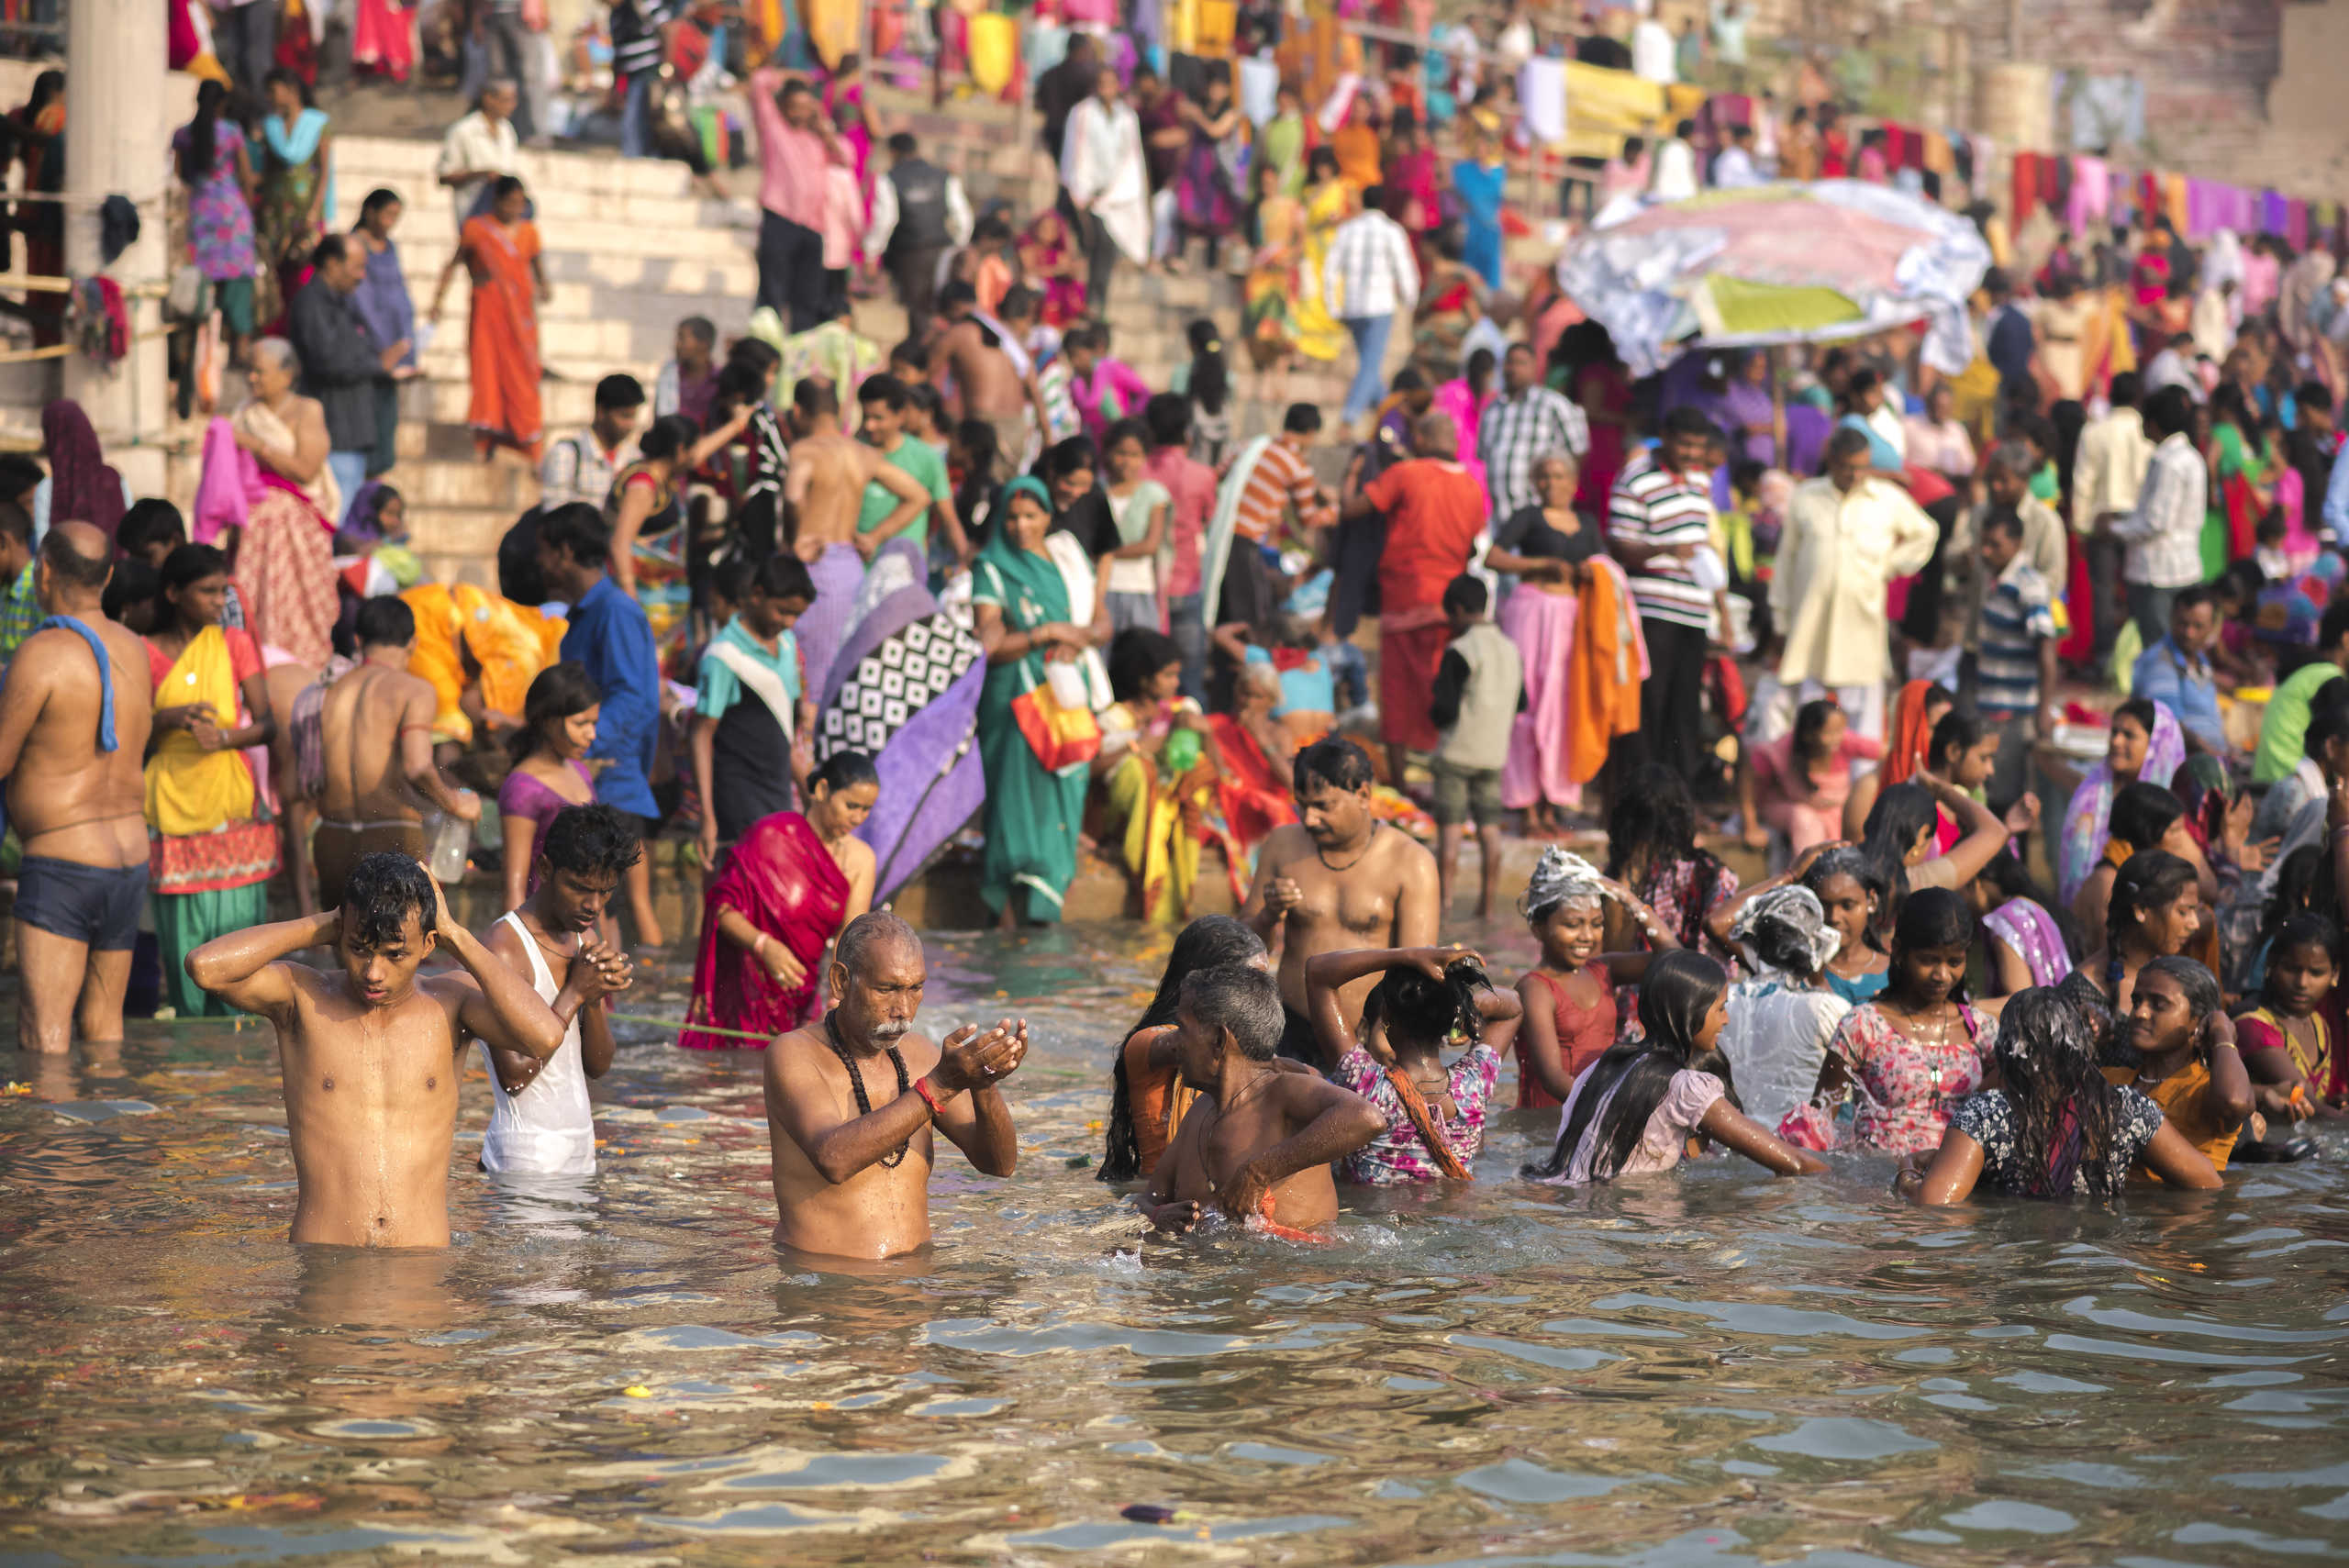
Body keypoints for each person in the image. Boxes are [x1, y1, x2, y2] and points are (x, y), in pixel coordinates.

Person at [184, 852, 572, 1246]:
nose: (373, 971)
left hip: (421, 1265)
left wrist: (456, 934)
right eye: (358, 948)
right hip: (325, 1258)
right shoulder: (300, 996)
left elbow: (544, 1036)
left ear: (427, 944)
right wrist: (326, 923)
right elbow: (205, 967)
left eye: (394, 954)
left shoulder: (452, 1003)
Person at [763, 911, 1024, 1258]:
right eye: (887, 989)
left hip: (916, 1287)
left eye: (915, 988)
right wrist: (940, 1086)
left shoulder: (920, 1056)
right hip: (826, 1287)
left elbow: (999, 1165)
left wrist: (982, 1081)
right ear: (841, 982)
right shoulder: (794, 1054)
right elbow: (834, 1159)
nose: (903, 1009)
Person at [0, 526, 155, 1051]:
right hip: (130, 859)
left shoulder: (42, 652)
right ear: (109, 575)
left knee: (44, 1040)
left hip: (64, 862)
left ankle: (52, 1138)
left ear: (43, 571)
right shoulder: (134, 649)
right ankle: (110, 1137)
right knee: (105, 1033)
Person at [1526, 950, 1828, 1184]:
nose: (1726, 1020)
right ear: (1691, 1013)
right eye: (1720, 1009)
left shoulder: (1608, 1064)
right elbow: (1795, 1164)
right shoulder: (1687, 1087)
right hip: (1615, 1219)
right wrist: (1840, 1187)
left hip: (1557, 1192)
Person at [1898, 987, 2221, 1204]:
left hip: (2017, 1261)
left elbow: (1935, 1205)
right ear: (2080, 1047)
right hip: (2098, 1269)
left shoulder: (1987, 1114)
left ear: (2006, 1050)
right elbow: (2208, 1184)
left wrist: (1907, 1171)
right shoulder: (2128, 1108)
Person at [1140, 962, 1384, 1235]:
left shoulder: (1283, 1092)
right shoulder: (1199, 1111)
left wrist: (1259, 1173)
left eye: (1182, 1028)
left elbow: (1367, 1118)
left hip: (1294, 1274)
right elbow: (1147, 1200)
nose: (1173, 1043)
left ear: (1219, 1040)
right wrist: (1158, 1214)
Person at [141, 544, 282, 1018]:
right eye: (207, 591)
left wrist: (224, 738)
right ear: (174, 592)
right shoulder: (143, 650)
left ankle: (237, 1070)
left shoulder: (234, 643)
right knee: (184, 948)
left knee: (240, 951)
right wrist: (168, 719)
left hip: (230, 806)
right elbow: (130, 733)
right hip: (169, 802)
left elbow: (268, 724)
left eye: (223, 590)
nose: (219, 601)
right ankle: (192, 1067)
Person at [970, 476, 1108, 927]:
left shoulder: (1069, 558)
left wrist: (1080, 638)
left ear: (1048, 517)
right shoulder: (991, 566)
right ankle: (1006, 919)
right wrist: (1044, 634)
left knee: (1062, 795)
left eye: (1031, 516)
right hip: (1015, 701)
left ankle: (1046, 913)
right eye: (1011, 516)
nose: (1020, 526)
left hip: (1066, 692)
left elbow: (1101, 620)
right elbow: (989, 644)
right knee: (1013, 805)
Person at [1241, 736, 1440, 1049]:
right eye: (1302, 806)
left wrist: (1386, 1031)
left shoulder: (1412, 861)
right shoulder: (1282, 845)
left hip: (1371, 1036)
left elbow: (1418, 967)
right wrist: (1268, 914)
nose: (1309, 819)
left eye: (1323, 806)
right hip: (1291, 1027)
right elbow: (1246, 950)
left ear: (1362, 794)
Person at [477, 806, 639, 1176]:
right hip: (524, 1156)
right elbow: (513, 1075)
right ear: (546, 870)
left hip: (580, 1151)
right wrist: (575, 993)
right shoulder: (505, 946)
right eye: (580, 888)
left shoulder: (586, 937)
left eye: (605, 892)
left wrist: (594, 999)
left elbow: (597, 1066)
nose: (593, 906)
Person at [682, 750, 879, 1050]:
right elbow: (723, 911)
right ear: (823, 790)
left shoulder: (861, 859)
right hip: (741, 994)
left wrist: (837, 1001)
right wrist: (764, 946)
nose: (858, 818)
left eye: (866, 810)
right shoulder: (770, 835)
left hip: (800, 997)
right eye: (851, 805)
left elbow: (848, 940)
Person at [1783, 888, 1996, 1155]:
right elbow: (1817, 1125)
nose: (1942, 975)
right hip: (1876, 1190)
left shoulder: (1982, 1032)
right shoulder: (1863, 1026)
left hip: (1956, 1187)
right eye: (1928, 960)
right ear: (1898, 952)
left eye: (1955, 962)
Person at [540, 506, 664, 948]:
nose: (539, 562)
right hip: (594, 777)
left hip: (614, 782)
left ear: (564, 552)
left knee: (631, 914)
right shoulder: (587, 614)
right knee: (600, 921)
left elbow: (635, 698)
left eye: (544, 551)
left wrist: (583, 748)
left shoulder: (615, 611)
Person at [1769, 428, 1938, 743]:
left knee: (1864, 727)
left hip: (1862, 627)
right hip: (1812, 628)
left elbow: (1925, 533)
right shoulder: (1806, 497)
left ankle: (1863, 787)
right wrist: (1780, 617)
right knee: (1810, 720)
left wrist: (1892, 564)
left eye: (1862, 466)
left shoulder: (1885, 498)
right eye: (1848, 467)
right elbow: (1785, 562)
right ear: (1832, 461)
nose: (1856, 474)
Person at [1348, 413, 1487, 785]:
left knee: (1396, 692)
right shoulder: (1473, 488)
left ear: (1422, 439)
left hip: (1403, 598)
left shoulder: (1406, 473)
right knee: (1441, 690)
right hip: (1449, 607)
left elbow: (1354, 509)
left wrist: (1351, 478)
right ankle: (1445, 777)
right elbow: (1473, 545)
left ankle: (1400, 781)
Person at [314, 595, 478, 910]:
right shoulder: (414, 690)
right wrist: (455, 802)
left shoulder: (331, 691)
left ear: (359, 640)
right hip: (389, 837)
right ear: (413, 643)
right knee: (399, 949)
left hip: (332, 836)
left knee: (346, 947)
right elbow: (417, 768)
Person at [1305, 947, 1522, 1183]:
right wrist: (1464, 1009)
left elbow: (1318, 971)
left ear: (1386, 1014)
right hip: (1453, 1217)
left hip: (1375, 1216)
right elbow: (1513, 1006)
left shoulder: (1363, 1083)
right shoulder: (1475, 1085)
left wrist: (1404, 955)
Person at [1100, 916, 1280, 1183]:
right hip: (1157, 1196)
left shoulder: (1237, 1043)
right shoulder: (1153, 1043)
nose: (1261, 992)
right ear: (1209, 980)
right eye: (1250, 979)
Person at [783, 380, 931, 702]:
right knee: (839, 666)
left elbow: (794, 496)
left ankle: (805, 746)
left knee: (805, 674)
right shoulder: (862, 453)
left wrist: (795, 537)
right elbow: (919, 496)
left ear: (798, 411)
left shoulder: (804, 450)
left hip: (813, 563)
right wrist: (875, 536)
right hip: (850, 568)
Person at [1512, 847, 1679, 1108]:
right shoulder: (1535, 989)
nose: (1587, 936)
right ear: (1538, 928)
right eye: (1572, 925)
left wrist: (1627, 898)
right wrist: (1613, 1109)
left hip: (1596, 1112)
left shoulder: (1603, 969)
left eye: (1597, 923)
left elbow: (1675, 961)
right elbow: (1552, 1078)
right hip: (1549, 1129)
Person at [1488, 451, 1598, 835]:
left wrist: (1587, 572)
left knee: (1563, 707)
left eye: (1559, 476)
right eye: (1545, 477)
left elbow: (1603, 567)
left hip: (1569, 616)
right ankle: (1525, 807)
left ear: (1573, 482)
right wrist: (1539, 565)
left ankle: (1554, 804)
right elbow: (1493, 557)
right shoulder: (1528, 517)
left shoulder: (1586, 522)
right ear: (1537, 483)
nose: (1552, 484)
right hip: (1530, 610)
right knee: (1527, 704)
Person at [1609, 409, 1718, 780]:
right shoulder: (1635, 479)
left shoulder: (1700, 480)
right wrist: (1667, 549)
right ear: (1666, 438)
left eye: (1698, 447)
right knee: (1648, 707)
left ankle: (1679, 794)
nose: (1690, 454)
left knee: (1685, 709)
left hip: (1694, 610)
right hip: (1652, 611)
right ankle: (1641, 788)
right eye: (1684, 445)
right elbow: (1621, 546)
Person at [691, 553, 815, 864]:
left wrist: (809, 794)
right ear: (757, 595)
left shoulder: (786, 645)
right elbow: (701, 735)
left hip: (778, 796)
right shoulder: (723, 656)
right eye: (783, 611)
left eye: (796, 615)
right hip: (737, 798)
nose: (788, 622)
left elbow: (784, 731)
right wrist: (707, 816)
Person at [227, 339, 343, 669]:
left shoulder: (307, 410)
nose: (251, 378)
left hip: (297, 527)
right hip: (253, 529)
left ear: (287, 374)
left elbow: (306, 470)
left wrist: (256, 446)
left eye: (259, 371)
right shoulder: (246, 412)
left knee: (300, 613)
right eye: (249, 370)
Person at [1715, 884, 1854, 1135]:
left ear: (1752, 941)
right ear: (1816, 944)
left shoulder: (1722, 1001)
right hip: (1797, 1154)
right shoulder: (1826, 1008)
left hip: (1731, 1145)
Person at [1428, 575, 1524, 920]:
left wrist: (1433, 713)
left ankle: (1444, 905)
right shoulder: (1511, 649)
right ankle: (1486, 905)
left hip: (1456, 753)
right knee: (1490, 830)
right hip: (1493, 754)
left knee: (1451, 832)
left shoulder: (1460, 650)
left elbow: (1444, 710)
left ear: (1456, 610)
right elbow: (1521, 702)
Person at [287, 236, 405, 518]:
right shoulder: (311, 303)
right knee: (332, 521)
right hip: (334, 434)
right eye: (356, 267)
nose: (362, 276)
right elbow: (327, 362)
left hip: (351, 433)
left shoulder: (341, 304)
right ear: (331, 264)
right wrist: (378, 365)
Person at [432, 176, 547, 462]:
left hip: (520, 317)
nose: (515, 208)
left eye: (520, 203)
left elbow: (537, 265)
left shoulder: (529, 233)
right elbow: (454, 263)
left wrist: (545, 287)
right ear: (497, 201)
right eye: (510, 202)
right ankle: (487, 440)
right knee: (487, 372)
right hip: (487, 312)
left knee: (525, 374)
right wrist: (438, 301)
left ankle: (527, 441)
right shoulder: (476, 229)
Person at [2109, 955, 2253, 1176]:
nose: (2140, 1013)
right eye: (2137, 1001)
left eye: (2159, 1004)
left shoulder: (2203, 1089)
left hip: (2185, 1210)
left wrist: (2221, 1031)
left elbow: (2235, 1102)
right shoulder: (2110, 1078)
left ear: (2198, 1021)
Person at [1967, 508, 2061, 805]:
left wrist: (2043, 710)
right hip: (1992, 707)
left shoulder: (2028, 586)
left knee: (2004, 800)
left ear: (2017, 544)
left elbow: (2047, 651)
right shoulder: (1996, 580)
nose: (1985, 551)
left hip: (2013, 714)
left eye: (1994, 544)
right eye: (1983, 543)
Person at [746, 69, 851, 335]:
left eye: (807, 107)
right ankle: (766, 343)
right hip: (781, 219)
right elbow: (759, 82)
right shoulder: (774, 129)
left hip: (813, 227)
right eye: (795, 106)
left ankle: (800, 351)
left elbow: (845, 160)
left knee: (807, 298)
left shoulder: (817, 140)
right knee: (772, 293)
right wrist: (790, 75)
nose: (800, 113)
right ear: (783, 106)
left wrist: (823, 126)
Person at [605, 409, 751, 599]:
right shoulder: (643, 486)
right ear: (681, 450)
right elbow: (620, 543)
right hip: (643, 594)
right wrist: (630, 596)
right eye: (693, 449)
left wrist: (738, 424)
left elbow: (701, 452)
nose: (698, 456)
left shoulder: (662, 476)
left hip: (660, 592)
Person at [2057, 696, 2186, 907]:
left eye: (2128, 735)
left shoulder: (2171, 807)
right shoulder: (2091, 795)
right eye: (2114, 732)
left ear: (2157, 746)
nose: (2116, 741)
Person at [497, 662, 601, 917]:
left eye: (594, 723)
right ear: (547, 722)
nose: (592, 734)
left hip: (587, 916)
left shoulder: (581, 772)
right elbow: (514, 886)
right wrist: (518, 948)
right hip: (545, 925)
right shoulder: (523, 787)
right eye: (580, 724)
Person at [2109, 385, 2207, 649]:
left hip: (2158, 571)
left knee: (2160, 646)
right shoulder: (2191, 458)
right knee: (2181, 646)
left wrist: (2113, 529)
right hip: (2184, 565)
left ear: (2153, 423)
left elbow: (2156, 522)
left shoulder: (2168, 462)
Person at [2234, 912, 2343, 1141]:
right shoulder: (2252, 1024)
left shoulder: (2319, 1024)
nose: (2302, 983)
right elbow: (2311, 1106)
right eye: (2292, 969)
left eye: (2316, 973)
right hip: (2258, 1156)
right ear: (2271, 964)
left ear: (2334, 974)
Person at [173, 79, 260, 368]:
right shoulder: (231, 132)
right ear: (223, 104)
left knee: (204, 284)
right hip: (232, 214)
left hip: (200, 213)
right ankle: (240, 351)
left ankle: (197, 351)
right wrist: (249, 212)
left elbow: (180, 178)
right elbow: (246, 177)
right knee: (238, 284)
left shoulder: (183, 135)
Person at [1324, 184, 1420, 429]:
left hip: (1353, 306)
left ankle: (1390, 418)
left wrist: (1333, 306)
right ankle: (1349, 417)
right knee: (1370, 364)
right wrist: (1411, 300)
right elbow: (1405, 269)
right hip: (1379, 307)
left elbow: (1330, 270)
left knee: (1371, 365)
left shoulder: (1347, 230)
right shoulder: (1392, 231)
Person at [2072, 372, 2153, 662]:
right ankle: (2134, 654)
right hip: (2139, 520)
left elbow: (2083, 483)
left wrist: (2081, 528)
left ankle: (2106, 655)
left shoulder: (2094, 431)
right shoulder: (2147, 431)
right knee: (2137, 588)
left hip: (2102, 520)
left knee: (2104, 591)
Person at [1741, 697, 1882, 859]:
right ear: (1808, 735)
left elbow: (1887, 753)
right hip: (1785, 808)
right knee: (1805, 819)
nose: (1838, 738)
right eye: (1829, 733)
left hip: (1836, 811)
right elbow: (1748, 786)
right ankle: (1809, 874)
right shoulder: (1778, 752)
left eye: (1841, 730)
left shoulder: (1844, 739)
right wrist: (1750, 827)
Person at [1144, 395, 1219, 698]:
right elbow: (1209, 519)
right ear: (1188, 431)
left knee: (1146, 676)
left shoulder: (1138, 472)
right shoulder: (1202, 475)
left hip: (1147, 586)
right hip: (1186, 582)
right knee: (1189, 679)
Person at [1061, 67, 1151, 312]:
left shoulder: (1127, 117)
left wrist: (1113, 192)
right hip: (1087, 194)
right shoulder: (1082, 113)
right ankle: (1087, 300)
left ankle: (1098, 298)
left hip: (1114, 194)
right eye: (1102, 83)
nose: (1106, 89)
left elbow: (1131, 159)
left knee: (1107, 245)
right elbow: (1076, 153)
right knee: (1093, 242)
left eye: (1111, 83)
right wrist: (1084, 191)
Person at [1479, 343, 1590, 527]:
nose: (1513, 369)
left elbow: (1579, 453)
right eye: (1509, 363)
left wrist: (1555, 492)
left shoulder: (1554, 404)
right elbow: (1483, 458)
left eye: (1520, 363)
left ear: (1535, 367)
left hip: (1542, 516)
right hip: (1498, 517)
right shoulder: (1492, 410)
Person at [346, 190, 417, 478]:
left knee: (385, 423)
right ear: (370, 211)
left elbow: (400, 297)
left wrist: (405, 347)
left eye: (396, 217)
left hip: (396, 350)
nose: (391, 222)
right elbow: (360, 301)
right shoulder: (354, 246)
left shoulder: (390, 248)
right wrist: (383, 347)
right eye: (387, 215)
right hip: (366, 349)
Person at [252, 70, 331, 328]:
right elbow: (265, 171)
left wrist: (315, 209)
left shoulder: (317, 124)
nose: (270, 98)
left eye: (273, 91)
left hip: (305, 214)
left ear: (290, 89)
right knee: (278, 278)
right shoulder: (270, 126)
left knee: (304, 275)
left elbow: (324, 171)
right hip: (275, 216)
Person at [855, 374, 961, 562]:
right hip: (857, 567)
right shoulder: (851, 452)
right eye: (866, 417)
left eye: (878, 418)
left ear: (901, 415)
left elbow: (948, 519)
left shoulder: (927, 458)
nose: (869, 426)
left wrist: (964, 561)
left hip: (904, 570)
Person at [871, 131, 972, 328]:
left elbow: (886, 219)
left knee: (917, 311)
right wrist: (959, 247)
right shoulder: (943, 177)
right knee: (941, 307)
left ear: (892, 152)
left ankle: (924, 354)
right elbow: (963, 217)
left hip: (909, 254)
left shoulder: (889, 179)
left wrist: (872, 251)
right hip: (942, 251)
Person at [1968, 846, 2076, 995]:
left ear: (1975, 883)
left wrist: (1968, 1010)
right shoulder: (2032, 906)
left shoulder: (2002, 922)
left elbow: (2019, 999)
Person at [2132, 586, 2227, 755]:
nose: (2189, 633)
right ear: (2171, 619)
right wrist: (2214, 755)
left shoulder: (2201, 661)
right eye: (2183, 624)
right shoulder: (2161, 662)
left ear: (2211, 627)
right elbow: (2169, 724)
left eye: (2198, 626)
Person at [538, 374, 647, 515]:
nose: (630, 425)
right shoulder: (566, 454)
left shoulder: (634, 458)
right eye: (624, 416)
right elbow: (554, 515)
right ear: (601, 411)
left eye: (633, 417)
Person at [435, 81, 520, 230]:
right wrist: (482, 174)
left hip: (503, 221)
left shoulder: (507, 130)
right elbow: (444, 176)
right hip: (472, 214)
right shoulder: (463, 131)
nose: (512, 106)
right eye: (506, 100)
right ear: (488, 98)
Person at [652, 317, 719, 426]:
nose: (676, 345)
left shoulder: (719, 380)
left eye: (682, 339)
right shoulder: (669, 374)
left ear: (703, 344)